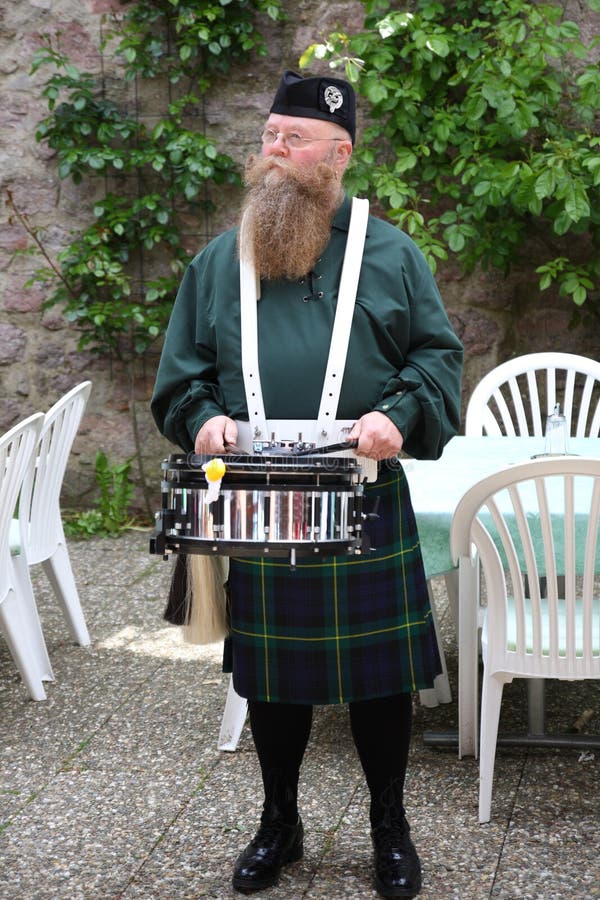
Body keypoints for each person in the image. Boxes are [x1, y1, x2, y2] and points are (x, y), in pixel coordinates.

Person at [151, 69, 463, 899]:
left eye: (293, 140)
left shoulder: (392, 254)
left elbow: (437, 359)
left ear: (340, 153)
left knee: (380, 678)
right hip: (256, 500)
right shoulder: (220, 262)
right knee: (270, 675)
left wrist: (399, 412)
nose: (274, 153)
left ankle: (388, 826)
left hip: (362, 493)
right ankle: (279, 819)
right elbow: (182, 378)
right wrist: (203, 420)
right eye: (268, 138)